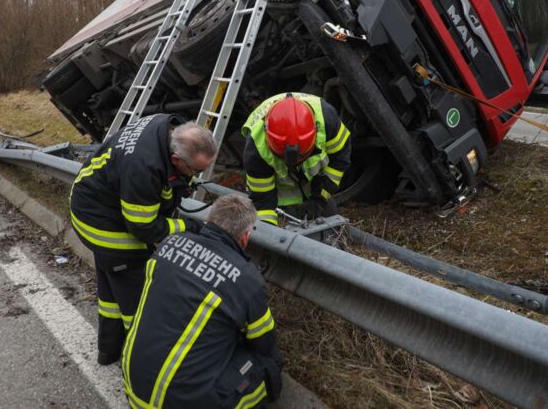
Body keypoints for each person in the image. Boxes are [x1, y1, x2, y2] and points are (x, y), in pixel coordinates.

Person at [69, 115, 218, 366]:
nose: (197, 176)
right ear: (175, 159)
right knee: (138, 300)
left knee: (111, 288)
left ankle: (109, 351)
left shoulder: (165, 129)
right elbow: (145, 228)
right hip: (103, 225)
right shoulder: (145, 168)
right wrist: (186, 226)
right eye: (196, 171)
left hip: (94, 205)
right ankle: (143, 365)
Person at [121, 194, 282, 409]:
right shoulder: (247, 279)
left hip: (134, 386)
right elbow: (263, 343)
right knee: (267, 366)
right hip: (183, 402)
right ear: (245, 238)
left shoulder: (169, 244)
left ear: (209, 220)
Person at [241, 92, 352, 225]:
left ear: (315, 132)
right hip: (280, 191)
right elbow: (263, 202)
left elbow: (339, 162)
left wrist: (318, 199)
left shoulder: (328, 121)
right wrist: (270, 235)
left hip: (313, 181)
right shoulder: (255, 150)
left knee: (329, 218)